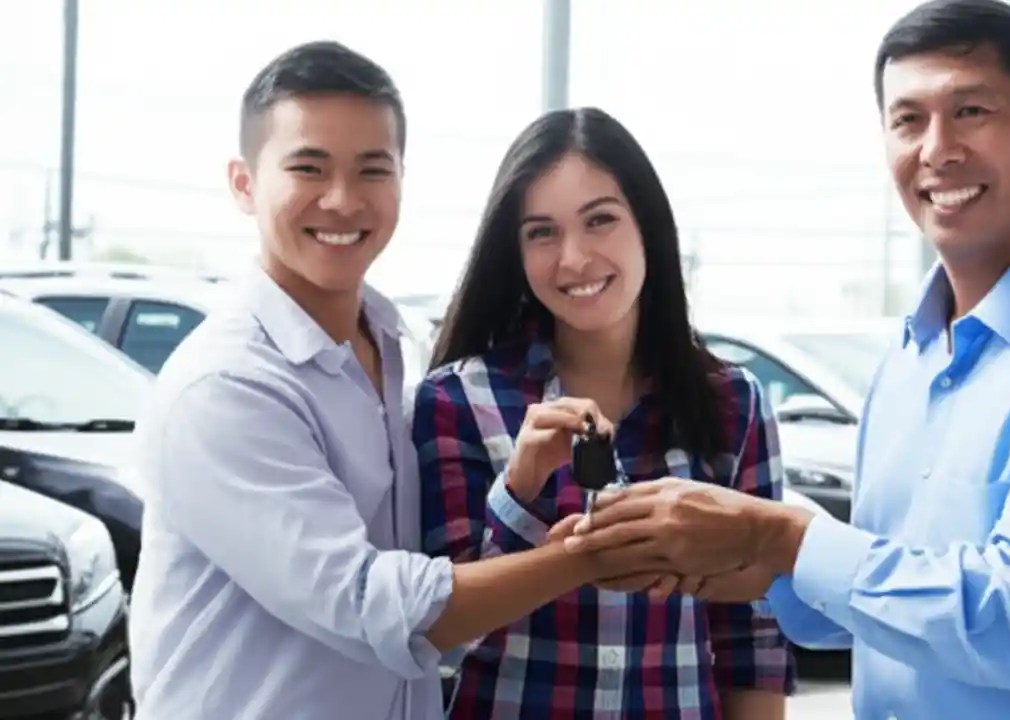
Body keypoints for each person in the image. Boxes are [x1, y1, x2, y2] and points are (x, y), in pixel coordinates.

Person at [565, 1, 1010, 718]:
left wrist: (778, 535)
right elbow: (884, 603)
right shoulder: (909, 357)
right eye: (908, 120)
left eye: (971, 110)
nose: (937, 150)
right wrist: (754, 563)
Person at [127, 42, 664, 720]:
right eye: (309, 168)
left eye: (372, 169)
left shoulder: (384, 345)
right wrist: (596, 555)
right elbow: (373, 606)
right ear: (243, 183)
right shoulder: (226, 386)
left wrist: (524, 491)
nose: (343, 200)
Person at [413, 106, 795, 719]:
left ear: (648, 225)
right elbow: (442, 638)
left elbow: (752, 636)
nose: (574, 258)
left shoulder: (735, 403)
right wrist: (522, 491)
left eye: (600, 221)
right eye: (541, 232)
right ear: (514, 251)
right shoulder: (455, 400)